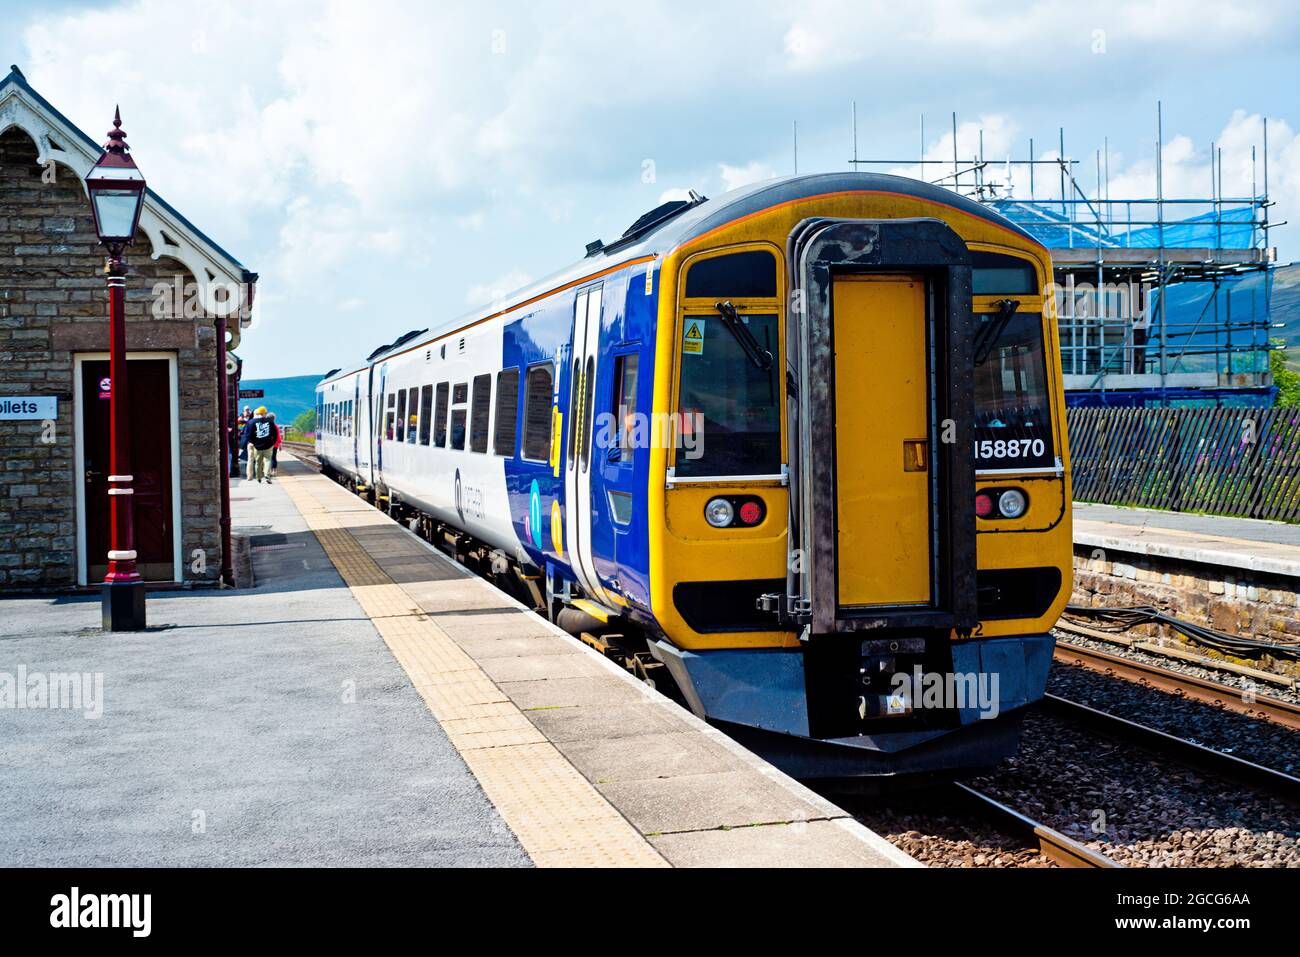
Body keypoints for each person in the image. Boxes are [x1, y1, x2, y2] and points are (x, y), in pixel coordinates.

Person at [241, 406, 279, 483]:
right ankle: (266, 475)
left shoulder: (250, 422)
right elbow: (275, 434)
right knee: (267, 460)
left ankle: (252, 476)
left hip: (253, 444)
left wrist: (252, 442)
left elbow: (247, 434)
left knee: (253, 461)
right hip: (267, 445)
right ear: (264, 413)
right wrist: (272, 443)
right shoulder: (269, 422)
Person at [269, 411, 282, 476]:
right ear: (274, 419)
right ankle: (274, 471)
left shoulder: (267, 426)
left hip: (268, 444)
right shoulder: (276, 426)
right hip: (275, 444)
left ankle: (269, 470)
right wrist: (280, 444)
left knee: (268, 458)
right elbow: (278, 436)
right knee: (274, 457)